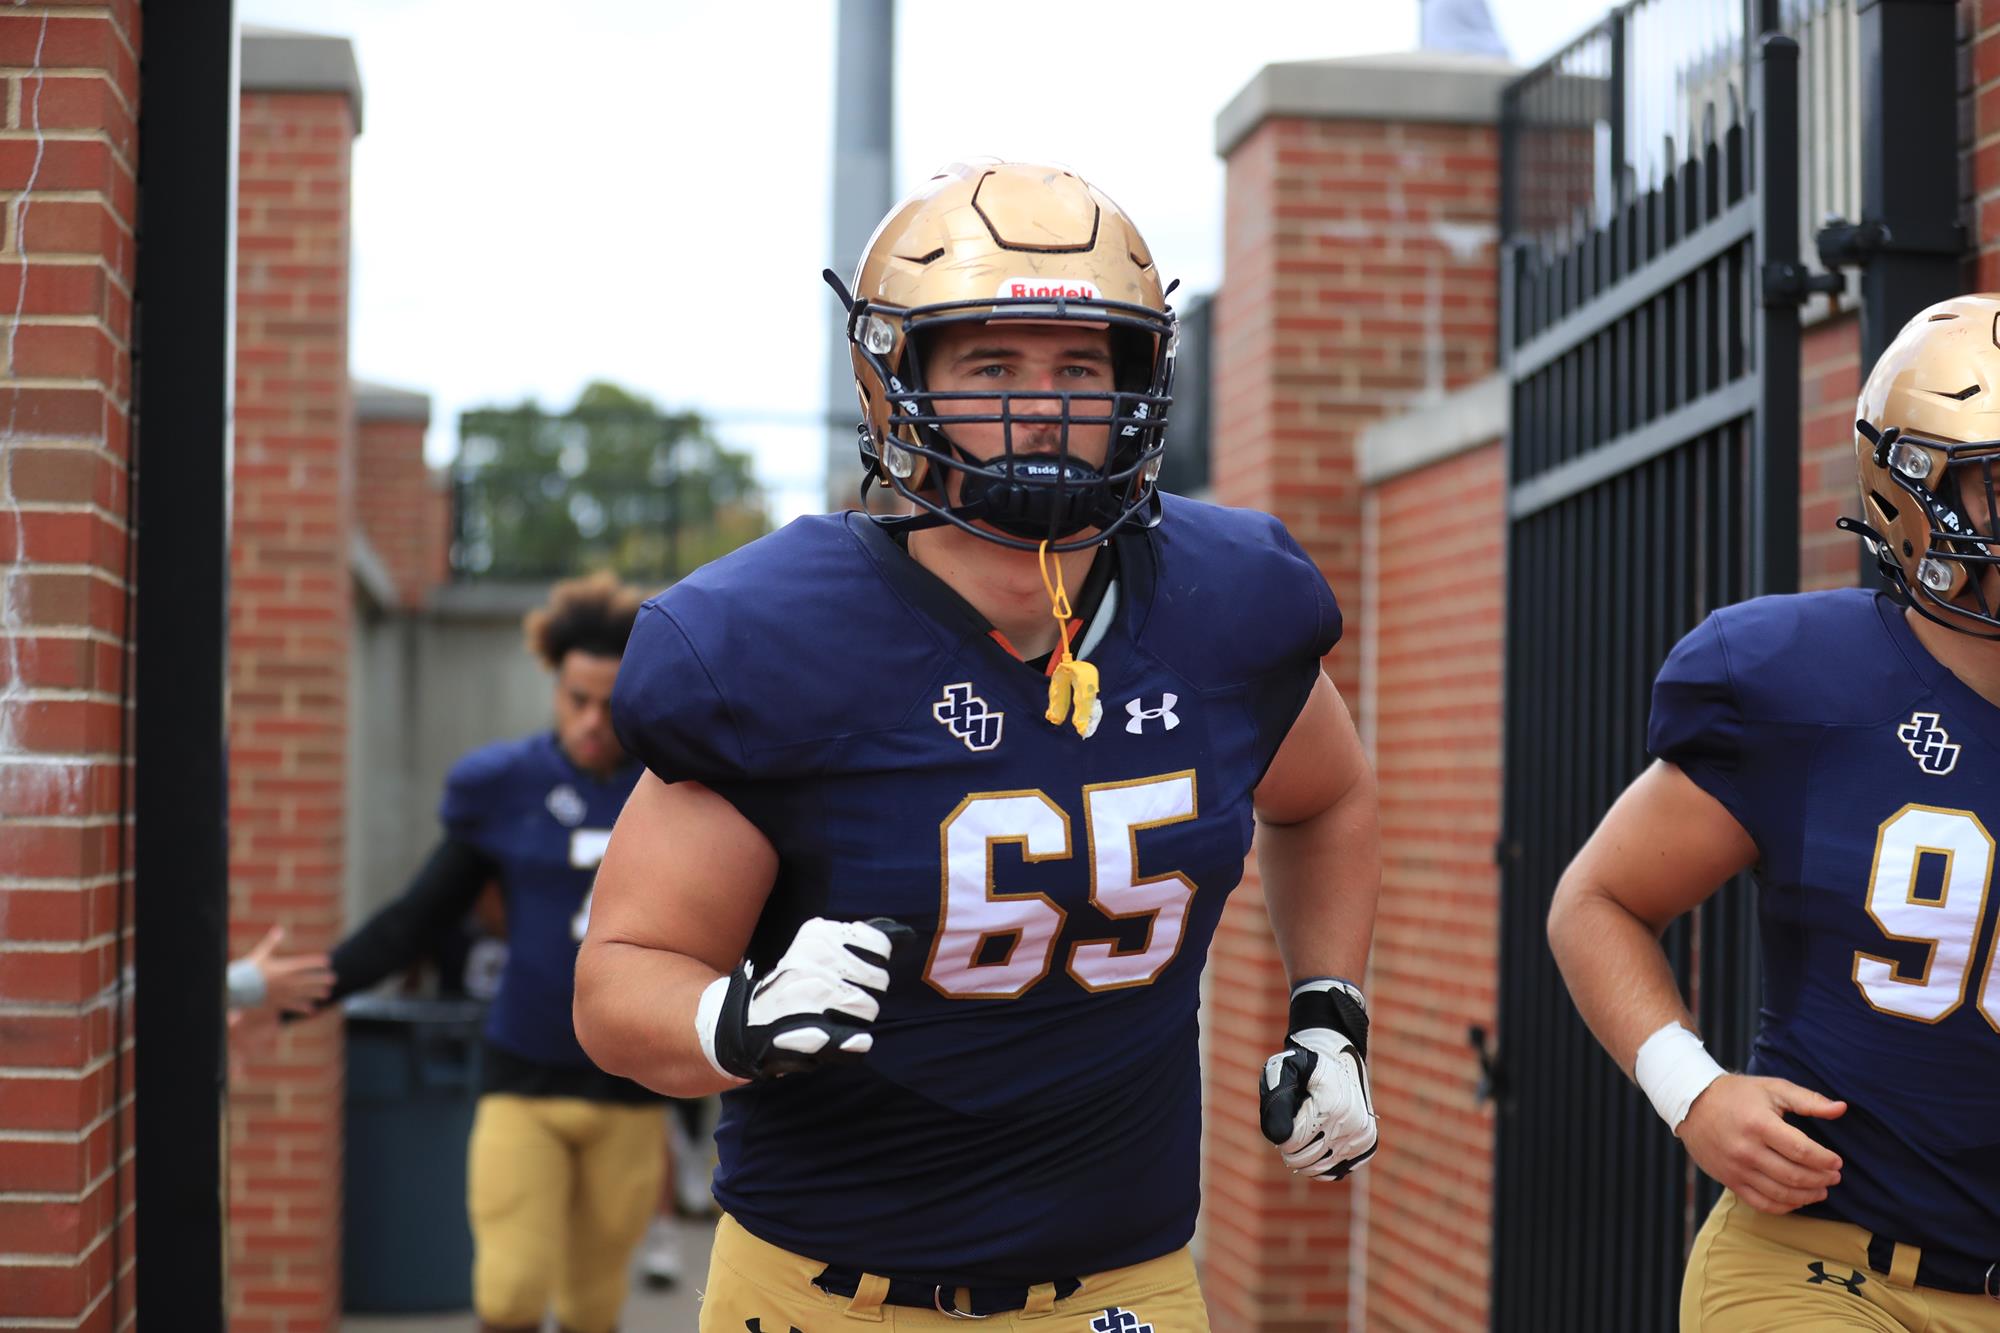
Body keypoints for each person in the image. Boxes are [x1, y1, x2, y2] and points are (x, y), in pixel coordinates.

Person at [575, 160, 1383, 1332]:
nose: (1040, 403)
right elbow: (619, 976)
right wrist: (727, 1024)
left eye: (1076, 365)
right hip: (826, 1289)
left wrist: (1327, 1008)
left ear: (1137, 383)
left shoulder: (1227, 605)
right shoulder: (772, 641)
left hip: (1119, 1286)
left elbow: (1325, 796)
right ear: (896, 380)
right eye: (991, 365)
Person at [1547, 294, 2000, 1331]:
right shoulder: (1809, 683)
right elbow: (1597, 899)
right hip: (1824, 1265)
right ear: (1915, 493)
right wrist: (1691, 1090)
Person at [308, 573, 671, 1333]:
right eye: (577, 699)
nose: (593, 721)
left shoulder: (674, 787)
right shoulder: (507, 786)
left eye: (611, 701)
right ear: (554, 686)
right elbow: (417, 917)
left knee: (593, 1306)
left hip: (632, 1087)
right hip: (521, 1074)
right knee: (507, 1294)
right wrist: (312, 983)